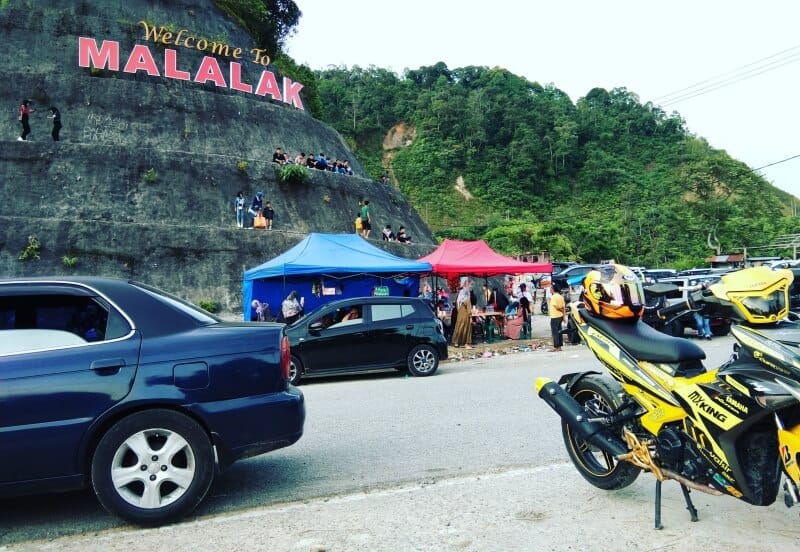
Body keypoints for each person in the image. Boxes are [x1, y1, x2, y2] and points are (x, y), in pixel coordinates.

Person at [451, 278, 473, 349]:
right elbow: (468, 304)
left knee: (459, 327)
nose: (470, 285)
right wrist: (470, 317)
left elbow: (457, 303)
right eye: (469, 284)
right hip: (465, 313)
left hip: (460, 312)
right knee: (466, 328)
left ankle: (456, 342)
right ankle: (466, 343)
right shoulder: (466, 293)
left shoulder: (460, 293)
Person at [549, 284, 568, 351]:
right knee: (559, 331)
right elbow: (563, 307)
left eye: (551, 288)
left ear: (553, 289)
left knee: (555, 332)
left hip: (555, 316)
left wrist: (562, 311)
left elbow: (557, 307)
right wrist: (564, 316)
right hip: (559, 316)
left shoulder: (554, 297)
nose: (550, 289)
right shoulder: (560, 297)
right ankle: (559, 346)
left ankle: (556, 346)